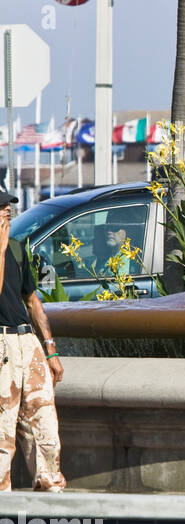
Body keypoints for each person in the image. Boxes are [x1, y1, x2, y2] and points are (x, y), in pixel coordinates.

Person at [0, 192, 67, 493]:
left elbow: (32, 300)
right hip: (2, 346)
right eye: (0, 207)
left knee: (44, 425)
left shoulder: (15, 249)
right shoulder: (5, 249)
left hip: (27, 342)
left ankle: (51, 491)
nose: (6, 211)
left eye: (7, 206)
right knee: (3, 433)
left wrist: (49, 348)